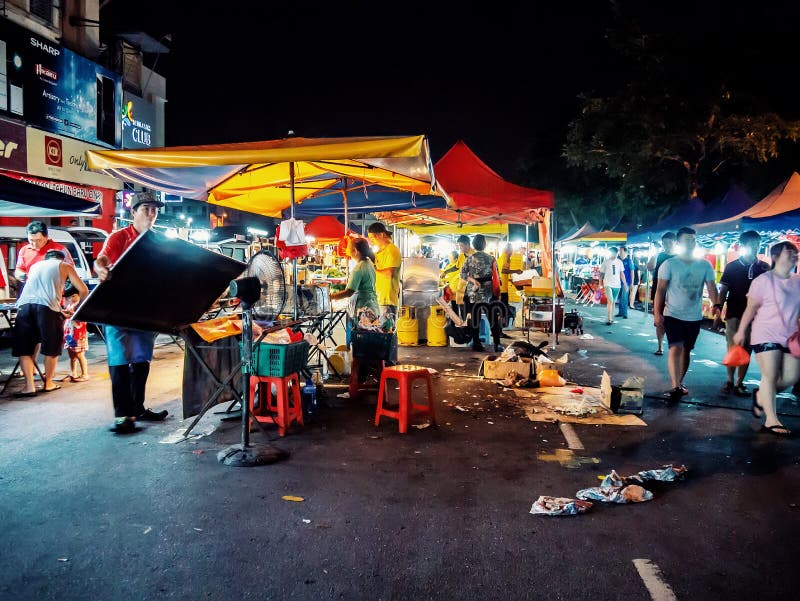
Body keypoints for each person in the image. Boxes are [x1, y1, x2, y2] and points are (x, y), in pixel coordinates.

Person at [94, 191, 168, 434]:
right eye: (145, 208)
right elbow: (103, 258)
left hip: (143, 309)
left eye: (154, 209)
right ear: (133, 212)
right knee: (119, 360)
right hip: (117, 308)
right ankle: (122, 416)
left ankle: (138, 408)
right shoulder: (119, 236)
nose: (151, 213)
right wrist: (101, 268)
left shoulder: (157, 241)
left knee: (141, 359)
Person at [733, 241, 800, 436]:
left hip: (790, 336)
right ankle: (771, 420)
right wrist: (741, 331)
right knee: (770, 376)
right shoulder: (763, 280)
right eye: (790, 253)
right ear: (776, 256)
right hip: (765, 333)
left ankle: (761, 396)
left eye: (796, 253)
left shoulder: (798, 281)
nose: (794, 256)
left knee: (791, 377)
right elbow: (751, 308)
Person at [653, 227, 720, 403]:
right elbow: (660, 290)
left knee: (687, 351)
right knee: (675, 347)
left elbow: (711, 287)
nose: (691, 242)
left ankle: (679, 382)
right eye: (687, 239)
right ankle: (675, 385)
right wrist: (657, 314)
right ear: (679, 242)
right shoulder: (669, 264)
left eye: (693, 239)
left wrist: (717, 304)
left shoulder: (705, 264)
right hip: (673, 314)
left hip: (694, 316)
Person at [12, 250, 88, 396]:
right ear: (61, 259)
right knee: (51, 347)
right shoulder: (64, 265)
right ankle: (48, 383)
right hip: (47, 309)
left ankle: (29, 386)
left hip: (24, 307)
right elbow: (83, 290)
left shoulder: (35, 266)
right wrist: (77, 308)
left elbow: (39, 294)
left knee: (25, 348)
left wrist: (59, 311)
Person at [715, 230, 770, 397]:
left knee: (747, 349)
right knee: (733, 347)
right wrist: (718, 308)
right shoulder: (732, 267)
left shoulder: (764, 268)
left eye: (758, 245)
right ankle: (730, 380)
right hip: (734, 314)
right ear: (743, 246)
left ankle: (740, 383)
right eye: (752, 244)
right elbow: (723, 290)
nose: (755, 248)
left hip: (756, 317)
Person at [460, 234, 502, 352]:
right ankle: (497, 344)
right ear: (484, 245)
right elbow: (497, 277)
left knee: (475, 318)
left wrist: (473, 280)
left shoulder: (469, 258)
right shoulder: (492, 259)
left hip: (473, 292)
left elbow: (462, 275)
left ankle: (477, 344)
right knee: (492, 318)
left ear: (473, 245)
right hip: (488, 293)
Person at [14, 221, 73, 291]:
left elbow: (71, 271)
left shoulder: (60, 250)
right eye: (31, 240)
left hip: (54, 293)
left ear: (46, 237)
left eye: (38, 240)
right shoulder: (24, 250)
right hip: (31, 292)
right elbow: (18, 270)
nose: (35, 244)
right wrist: (23, 276)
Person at [330, 237, 380, 319]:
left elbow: (349, 292)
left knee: (362, 331)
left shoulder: (359, 268)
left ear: (355, 251)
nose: (347, 251)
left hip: (363, 310)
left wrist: (330, 297)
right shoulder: (369, 263)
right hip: (372, 306)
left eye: (349, 249)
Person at [647, 231, 677, 355]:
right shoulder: (659, 255)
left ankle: (674, 345)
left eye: (669, 242)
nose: (667, 245)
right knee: (659, 320)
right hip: (659, 292)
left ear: (675, 242)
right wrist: (655, 252)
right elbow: (649, 267)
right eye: (664, 243)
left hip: (675, 293)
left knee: (674, 320)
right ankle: (660, 346)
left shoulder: (679, 258)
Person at [367, 221, 401, 316]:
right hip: (379, 297)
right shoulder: (380, 251)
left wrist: (373, 269)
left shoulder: (392, 250)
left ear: (381, 235)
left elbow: (389, 273)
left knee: (386, 329)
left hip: (387, 299)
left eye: (373, 238)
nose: (371, 241)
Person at [62, 284, 90, 382]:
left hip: (78, 334)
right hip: (69, 334)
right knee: (72, 355)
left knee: (79, 354)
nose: (71, 298)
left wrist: (70, 314)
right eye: (69, 297)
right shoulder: (70, 305)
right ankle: (73, 372)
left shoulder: (80, 304)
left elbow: (81, 316)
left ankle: (85, 374)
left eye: (73, 296)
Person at [598, 246, 627, 326]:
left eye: (615, 253)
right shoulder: (606, 262)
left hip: (617, 285)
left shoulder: (619, 262)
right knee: (610, 301)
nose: (614, 255)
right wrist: (600, 283)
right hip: (608, 284)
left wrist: (625, 284)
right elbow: (601, 274)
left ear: (617, 253)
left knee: (613, 302)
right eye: (613, 253)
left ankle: (611, 317)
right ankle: (609, 319)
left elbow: (622, 274)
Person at [453, 234, 474, 318]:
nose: (460, 248)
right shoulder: (461, 256)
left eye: (461, 246)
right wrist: (445, 272)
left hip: (471, 288)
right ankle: (465, 328)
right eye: (459, 246)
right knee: (462, 309)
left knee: (471, 310)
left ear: (467, 244)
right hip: (462, 287)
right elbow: (457, 267)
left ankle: (471, 329)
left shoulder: (475, 256)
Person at [616, 246, 634, 319]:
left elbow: (632, 272)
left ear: (625, 252)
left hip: (626, 282)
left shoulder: (629, 261)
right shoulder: (618, 260)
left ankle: (625, 313)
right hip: (618, 282)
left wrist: (632, 283)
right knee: (620, 297)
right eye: (619, 252)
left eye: (621, 251)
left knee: (624, 297)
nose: (620, 253)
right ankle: (620, 312)